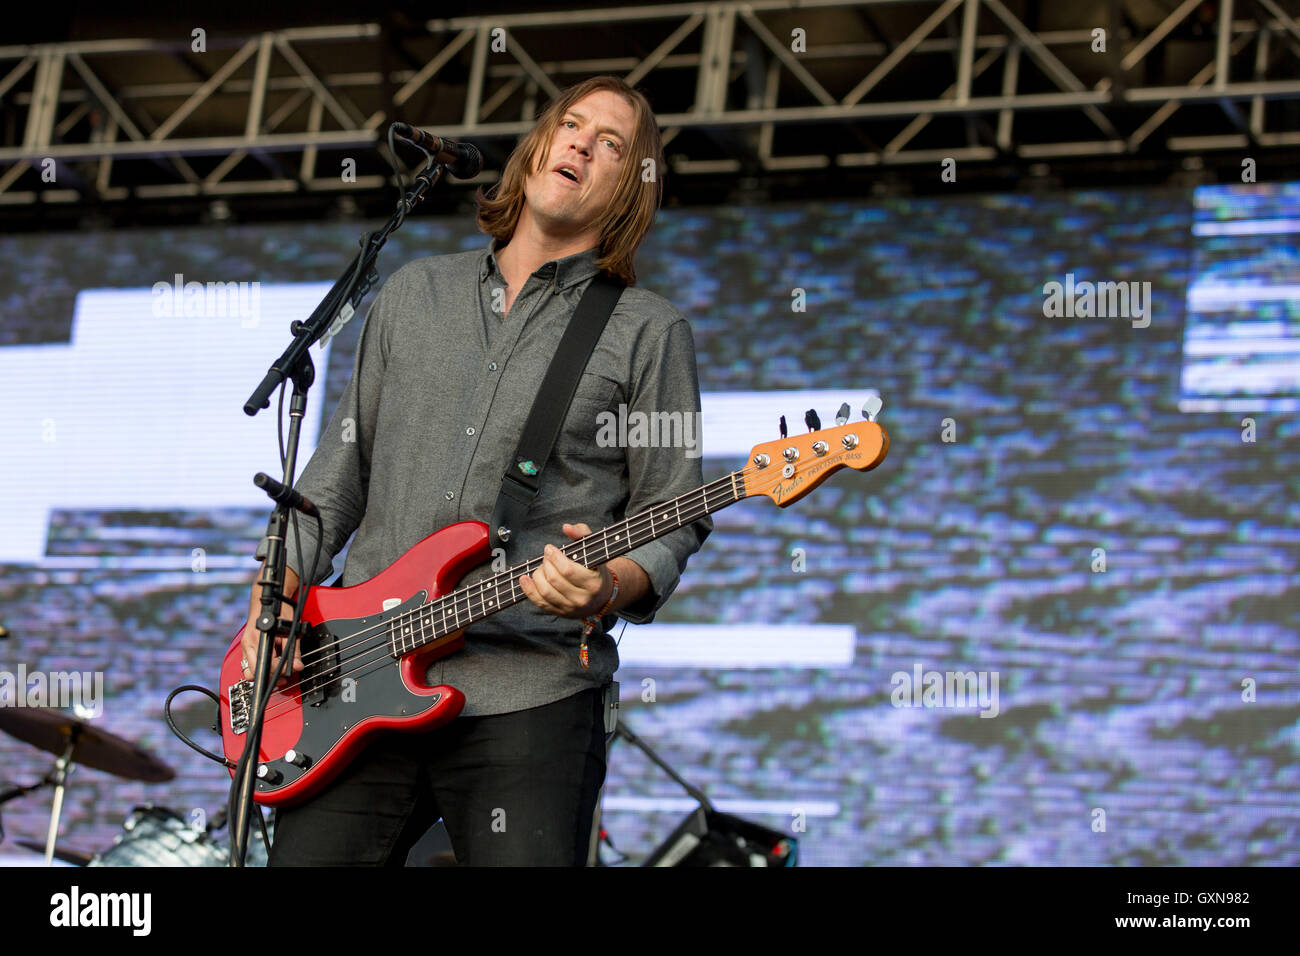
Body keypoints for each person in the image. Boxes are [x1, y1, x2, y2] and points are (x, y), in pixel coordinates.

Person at [238, 75, 711, 866]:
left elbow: (677, 510)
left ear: (628, 190)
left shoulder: (648, 332)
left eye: (612, 145)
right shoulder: (413, 294)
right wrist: (274, 605)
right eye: (572, 125)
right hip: (349, 681)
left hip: (532, 692)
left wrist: (609, 587)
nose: (582, 145)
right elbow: (331, 485)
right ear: (536, 149)